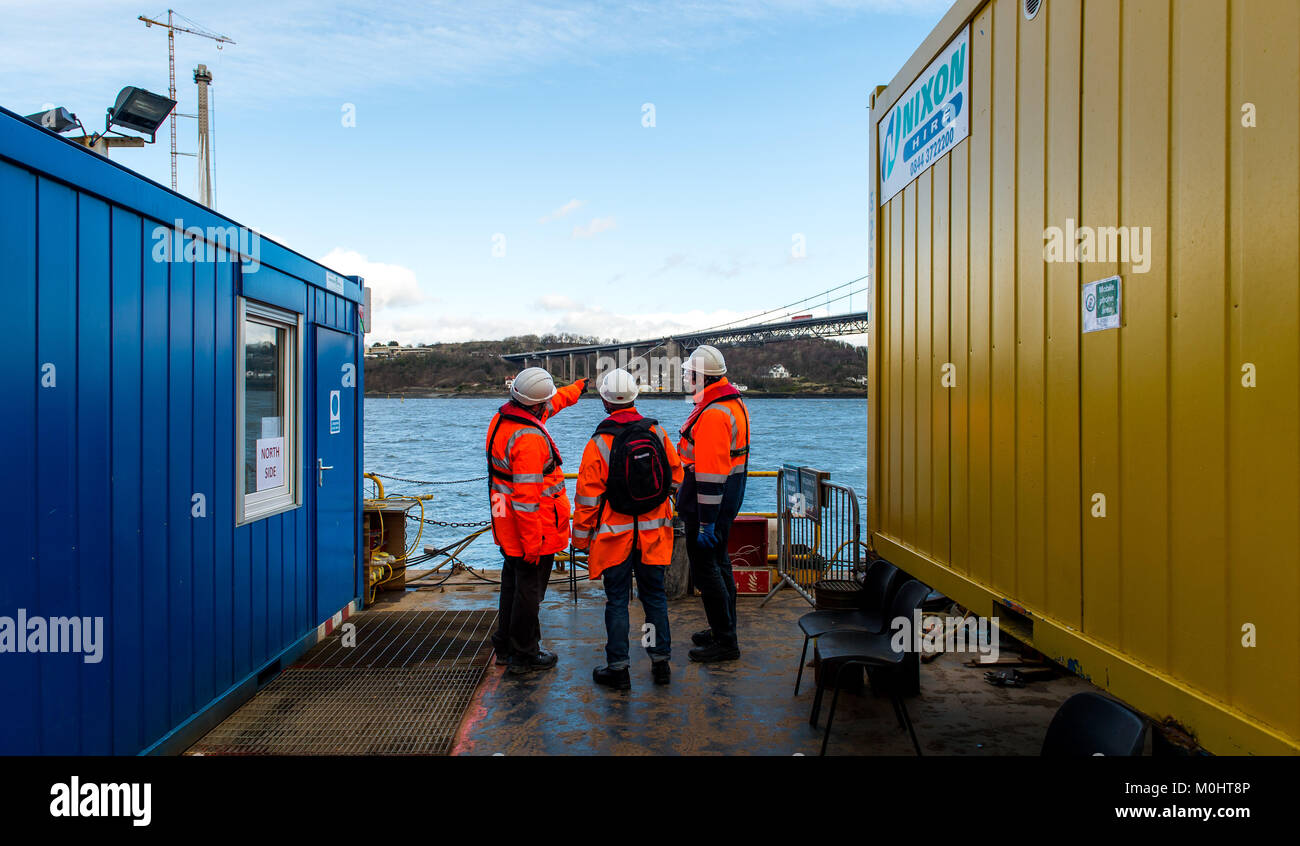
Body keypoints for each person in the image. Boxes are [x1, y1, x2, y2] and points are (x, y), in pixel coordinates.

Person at [572, 369, 683, 690]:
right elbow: (676, 478)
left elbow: (588, 498)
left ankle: (618, 669)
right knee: (654, 599)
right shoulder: (657, 432)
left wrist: (580, 538)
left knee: (618, 602)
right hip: (654, 536)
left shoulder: (599, 442)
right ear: (635, 396)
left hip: (614, 538)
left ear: (605, 401)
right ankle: (660, 663)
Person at [486, 366, 587, 675]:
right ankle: (525, 654)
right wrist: (533, 543)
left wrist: (579, 388)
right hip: (532, 531)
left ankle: (504, 644)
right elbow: (528, 500)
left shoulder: (505, 419)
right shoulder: (529, 438)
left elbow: (554, 403)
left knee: (512, 585)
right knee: (530, 593)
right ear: (537, 405)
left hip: (506, 525)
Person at [676, 345, 750, 663]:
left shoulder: (713, 414)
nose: (687, 378)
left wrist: (706, 521)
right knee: (720, 565)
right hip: (726, 500)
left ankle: (725, 641)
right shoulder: (732, 403)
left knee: (708, 569)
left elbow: (709, 474)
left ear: (699, 376)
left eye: (689, 374)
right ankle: (723, 628)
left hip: (708, 505)